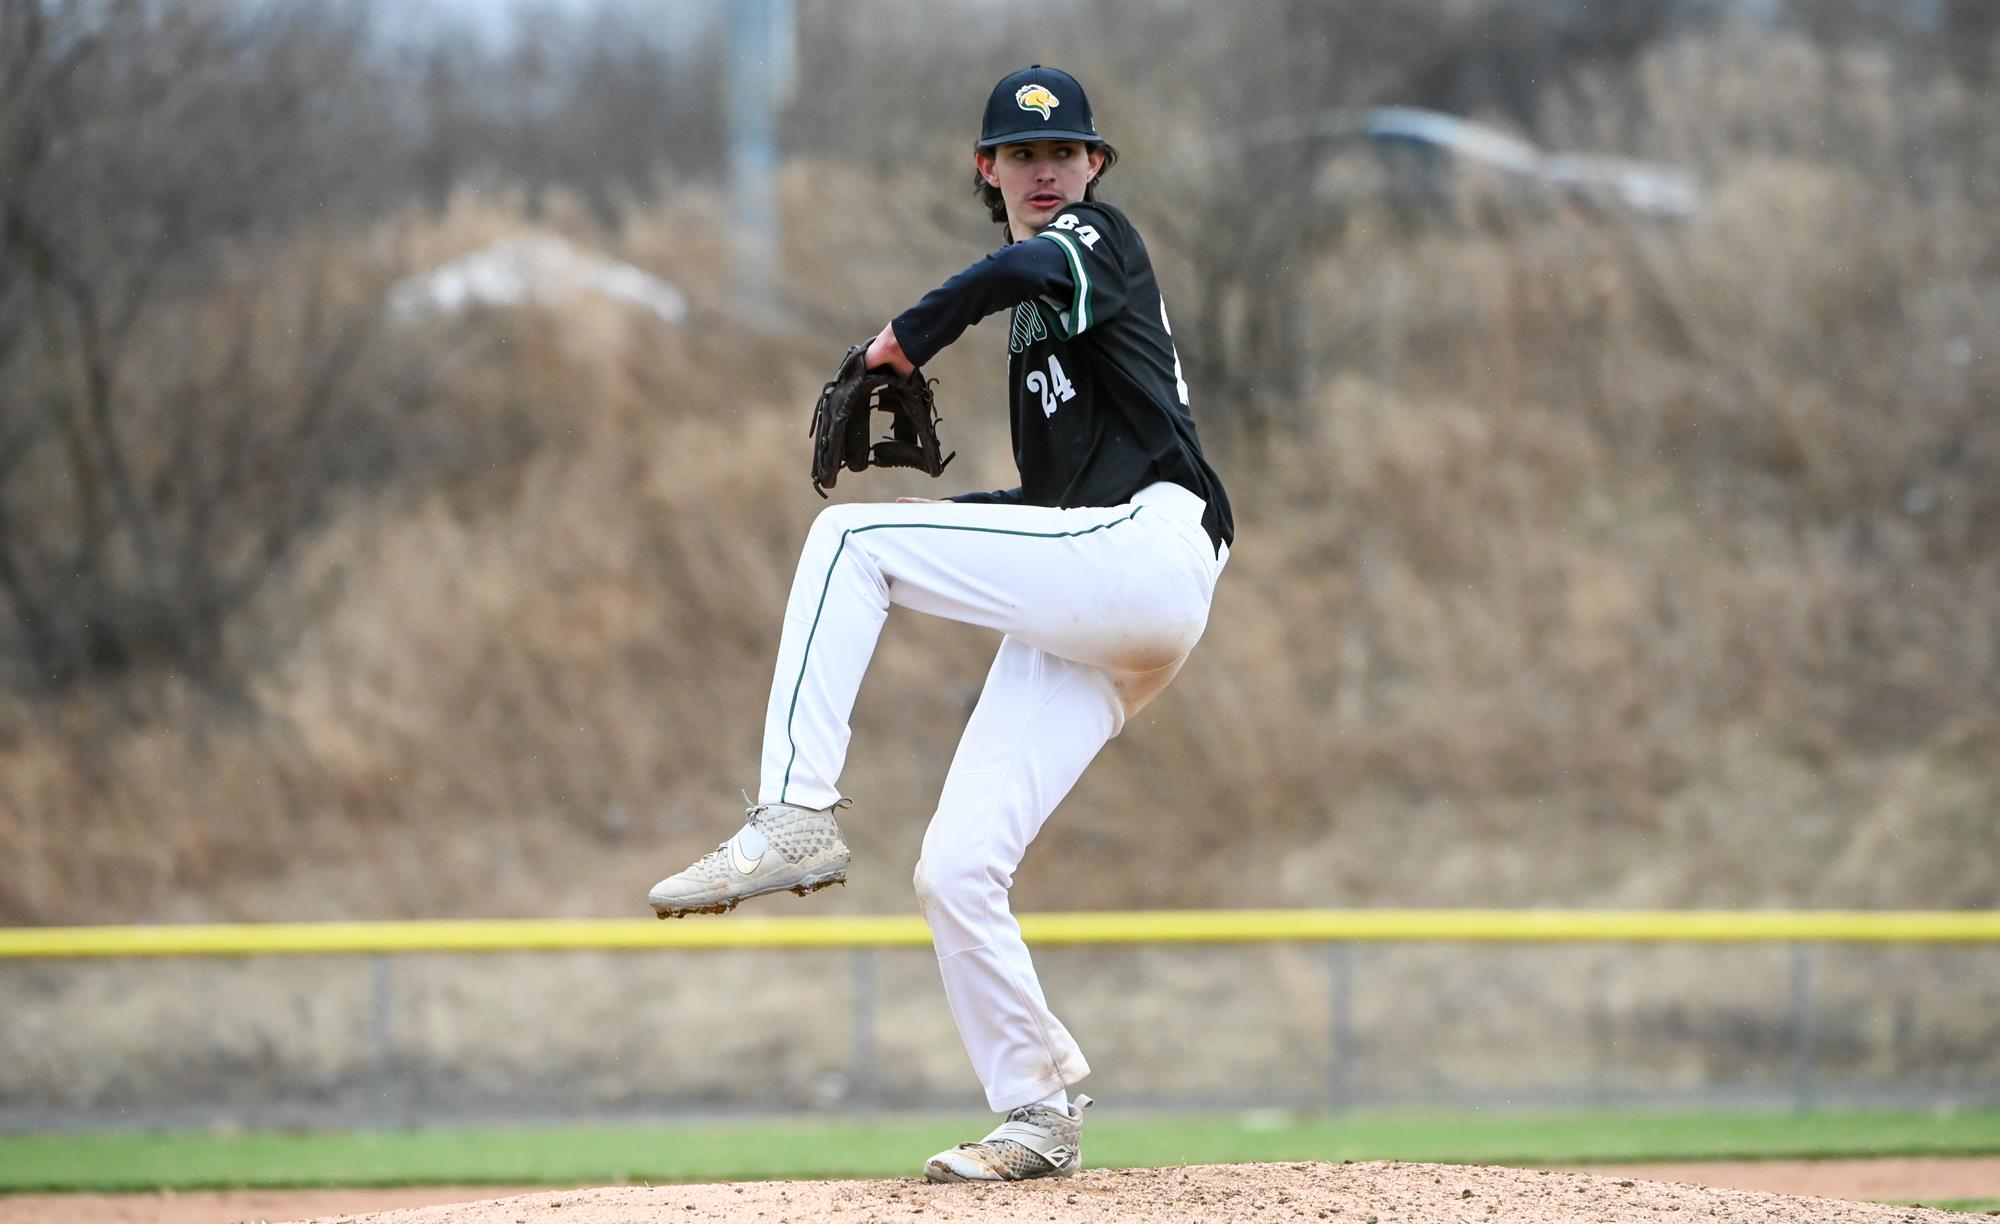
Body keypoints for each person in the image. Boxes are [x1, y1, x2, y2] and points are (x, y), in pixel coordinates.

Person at [648, 64, 1234, 1183]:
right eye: (1022, 155)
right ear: (988, 169)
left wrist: (900, 339)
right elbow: (1053, 517)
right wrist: (950, 518)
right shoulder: (1042, 341)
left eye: (1064, 150)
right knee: (955, 868)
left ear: (1095, 166)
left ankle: (793, 816)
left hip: (1153, 549)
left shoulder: (1095, 245)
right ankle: (1036, 1110)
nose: (1045, 169)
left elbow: (1011, 270)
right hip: (1104, 593)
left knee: (843, 544)